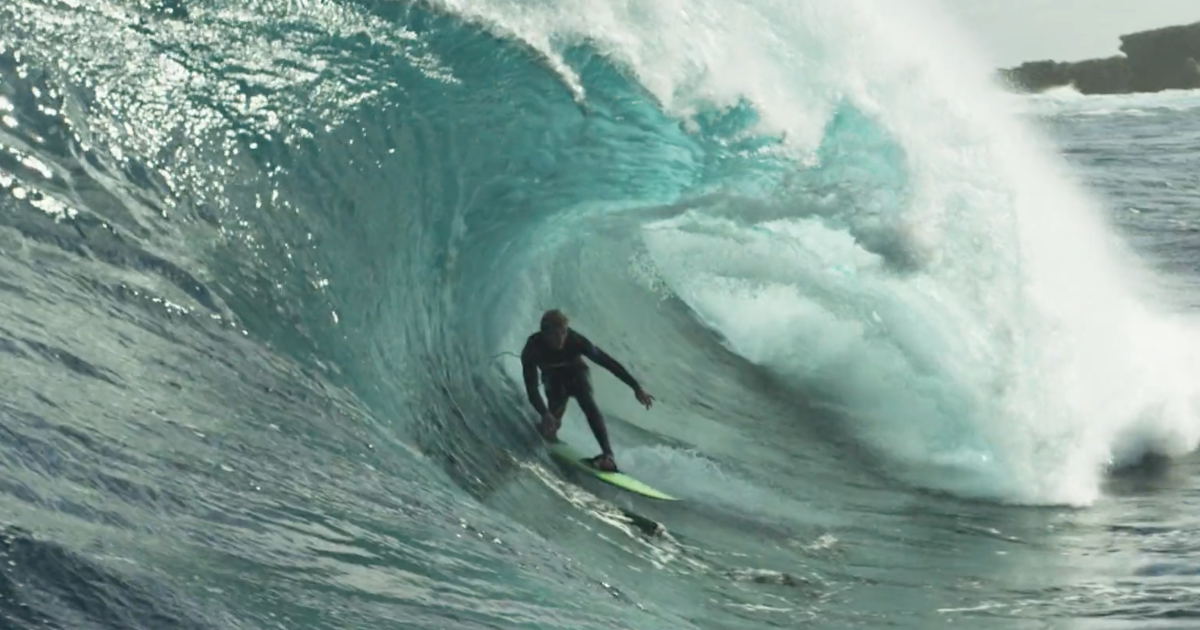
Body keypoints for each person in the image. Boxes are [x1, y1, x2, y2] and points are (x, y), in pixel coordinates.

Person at [520, 309, 654, 473]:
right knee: (551, 423)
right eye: (556, 334)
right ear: (544, 333)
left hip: (577, 374)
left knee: (588, 403)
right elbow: (532, 389)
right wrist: (544, 413)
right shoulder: (533, 348)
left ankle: (607, 454)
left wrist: (636, 387)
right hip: (554, 381)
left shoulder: (575, 341)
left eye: (564, 332)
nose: (561, 338)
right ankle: (550, 435)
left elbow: (607, 362)